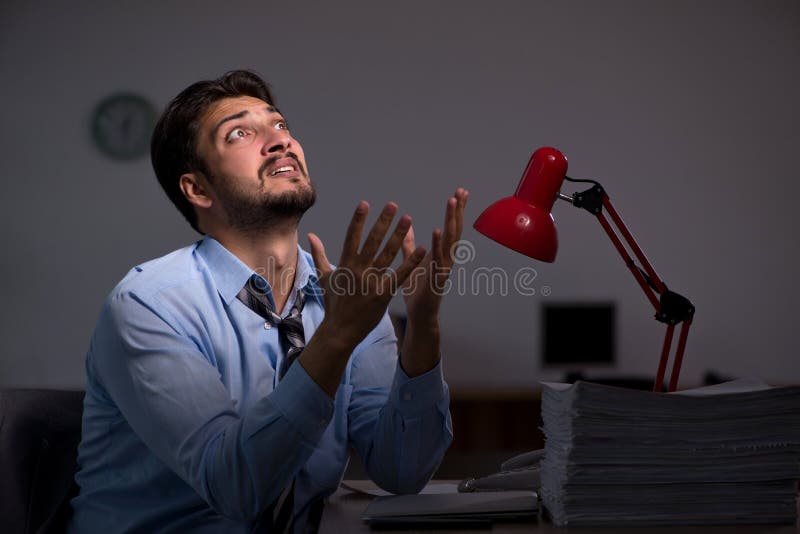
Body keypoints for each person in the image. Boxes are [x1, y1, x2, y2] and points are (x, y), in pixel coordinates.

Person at [68, 70, 469, 533]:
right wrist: (336, 338)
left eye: (279, 125)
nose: (278, 142)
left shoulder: (350, 299)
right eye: (240, 132)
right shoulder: (147, 304)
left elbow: (402, 472)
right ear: (198, 189)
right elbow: (235, 486)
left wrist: (423, 329)